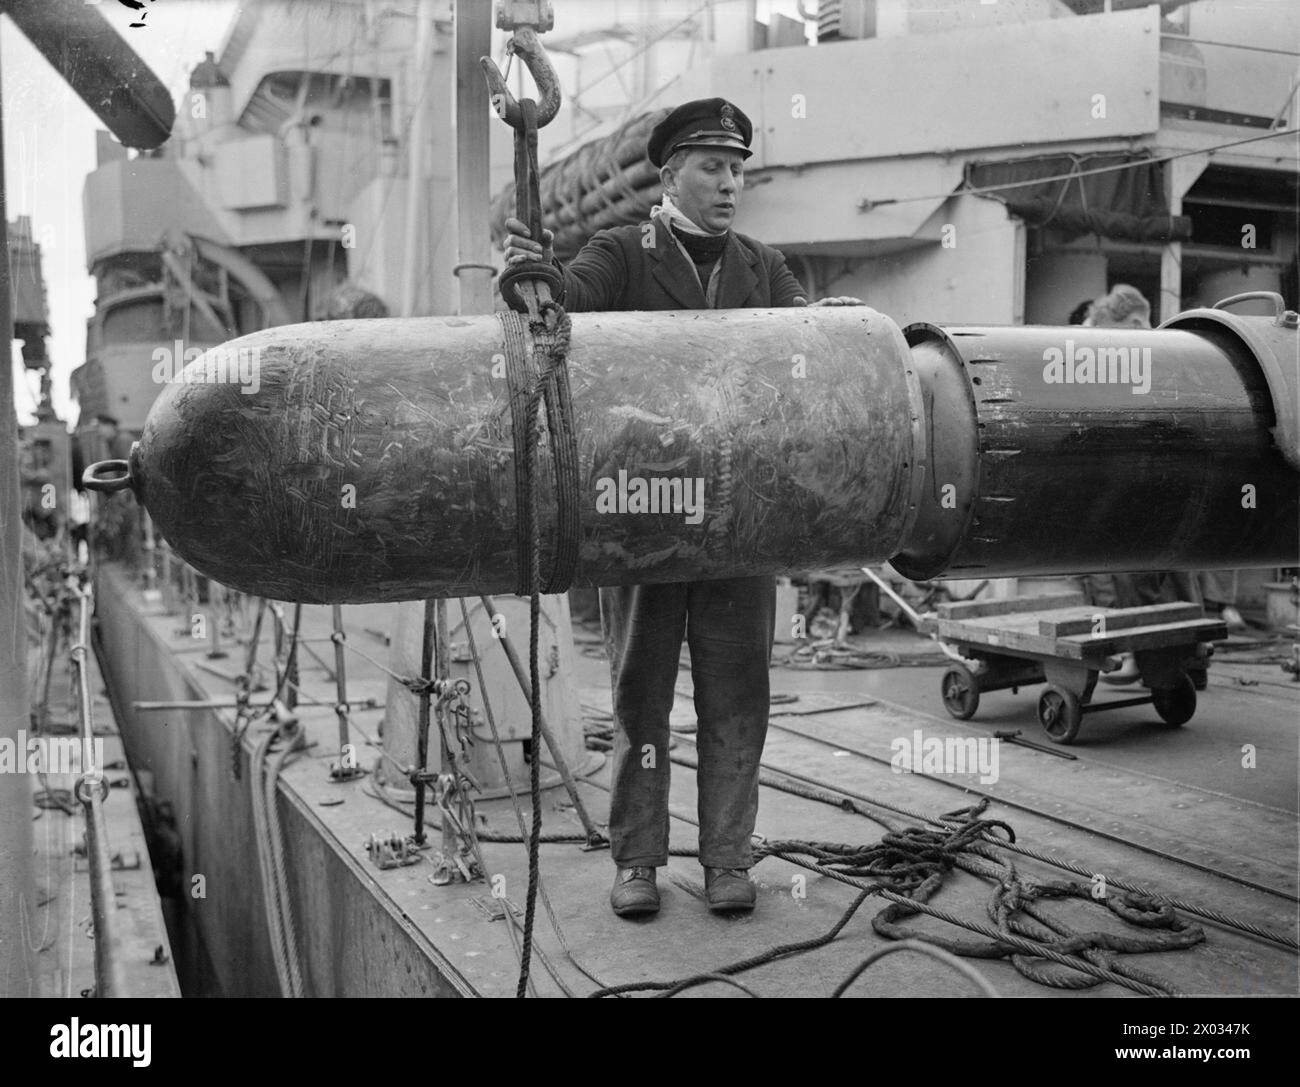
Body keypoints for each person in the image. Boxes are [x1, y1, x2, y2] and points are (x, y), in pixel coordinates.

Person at [503, 97, 859, 917]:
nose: (730, 183)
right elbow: (566, 301)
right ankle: (638, 860)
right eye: (712, 168)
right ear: (669, 175)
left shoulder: (764, 267)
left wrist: (834, 335)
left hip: (742, 523)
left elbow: (801, 354)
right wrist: (535, 279)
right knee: (641, 696)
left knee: (739, 693)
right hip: (643, 516)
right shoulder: (622, 252)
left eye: (737, 169)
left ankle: (728, 858)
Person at [1084, 285, 1202, 682]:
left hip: (1145, 474)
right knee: (1176, 565)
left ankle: (1144, 655)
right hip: (1178, 472)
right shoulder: (1171, 351)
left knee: (1130, 562)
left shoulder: (1137, 354)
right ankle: (1194, 654)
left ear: (1132, 321)